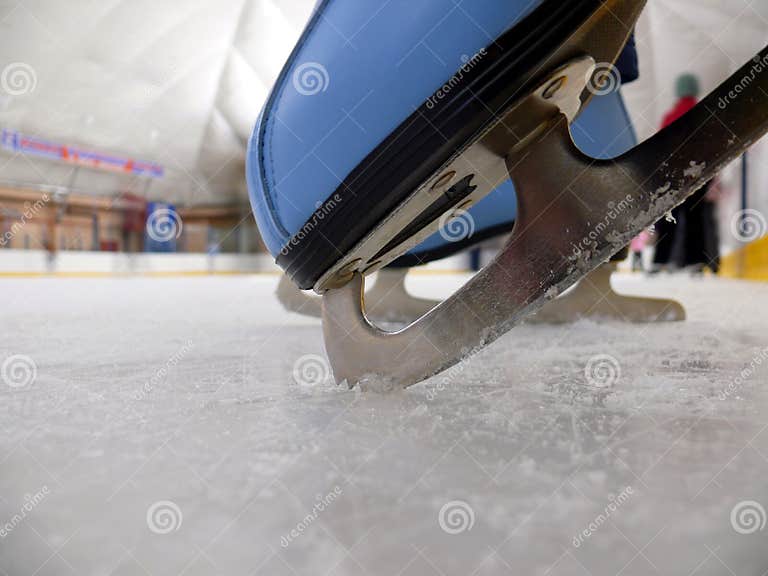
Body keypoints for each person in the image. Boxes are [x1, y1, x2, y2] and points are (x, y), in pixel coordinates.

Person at [652, 74, 720, 273]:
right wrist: (713, 178)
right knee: (695, 218)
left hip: (673, 176)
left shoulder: (670, 117)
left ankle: (660, 261)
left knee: (668, 218)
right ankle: (695, 262)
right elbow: (713, 149)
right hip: (700, 174)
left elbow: (660, 149)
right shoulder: (706, 114)